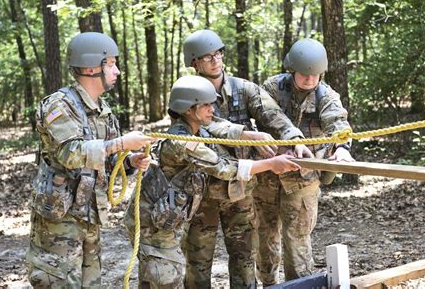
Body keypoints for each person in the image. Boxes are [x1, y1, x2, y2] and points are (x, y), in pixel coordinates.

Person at [123, 76, 300, 288]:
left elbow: (220, 128)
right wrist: (272, 164)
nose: (212, 109)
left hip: (166, 216)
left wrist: (253, 136)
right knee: (163, 277)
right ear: (188, 110)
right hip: (152, 222)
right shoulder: (183, 141)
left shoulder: (196, 128)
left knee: (166, 274)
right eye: (206, 105)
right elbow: (223, 168)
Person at [181, 29, 311, 288]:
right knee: (198, 261)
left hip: (239, 191)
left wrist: (293, 137)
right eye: (207, 57)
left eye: (218, 53)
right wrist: (249, 136)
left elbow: (272, 114)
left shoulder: (244, 88)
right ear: (194, 63)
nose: (216, 60)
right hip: (201, 192)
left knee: (243, 259)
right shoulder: (187, 92)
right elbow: (207, 128)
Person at [26, 32, 154, 288]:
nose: (117, 71)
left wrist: (130, 161)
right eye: (112, 64)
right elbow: (70, 153)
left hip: (90, 214)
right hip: (59, 220)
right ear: (91, 67)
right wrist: (120, 143)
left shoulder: (103, 111)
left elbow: (108, 159)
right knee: (58, 282)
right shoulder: (58, 105)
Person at [253, 38, 355, 286]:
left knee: (297, 244)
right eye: (304, 74)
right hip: (267, 176)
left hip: (302, 181)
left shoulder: (326, 95)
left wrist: (342, 147)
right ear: (292, 69)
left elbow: (338, 123)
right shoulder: (273, 88)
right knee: (264, 242)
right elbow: (261, 114)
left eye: (315, 75)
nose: (310, 80)